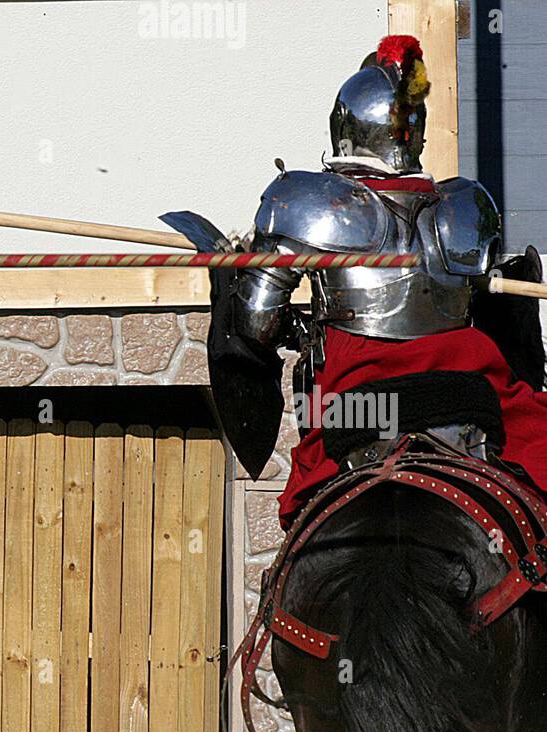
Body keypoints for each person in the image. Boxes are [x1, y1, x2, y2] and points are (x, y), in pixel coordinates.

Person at [213, 34, 547, 527]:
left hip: (361, 397)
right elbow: (492, 308)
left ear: (345, 127)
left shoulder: (306, 203)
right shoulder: (466, 206)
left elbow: (257, 326)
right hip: (470, 389)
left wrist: (249, 283)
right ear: (416, 133)